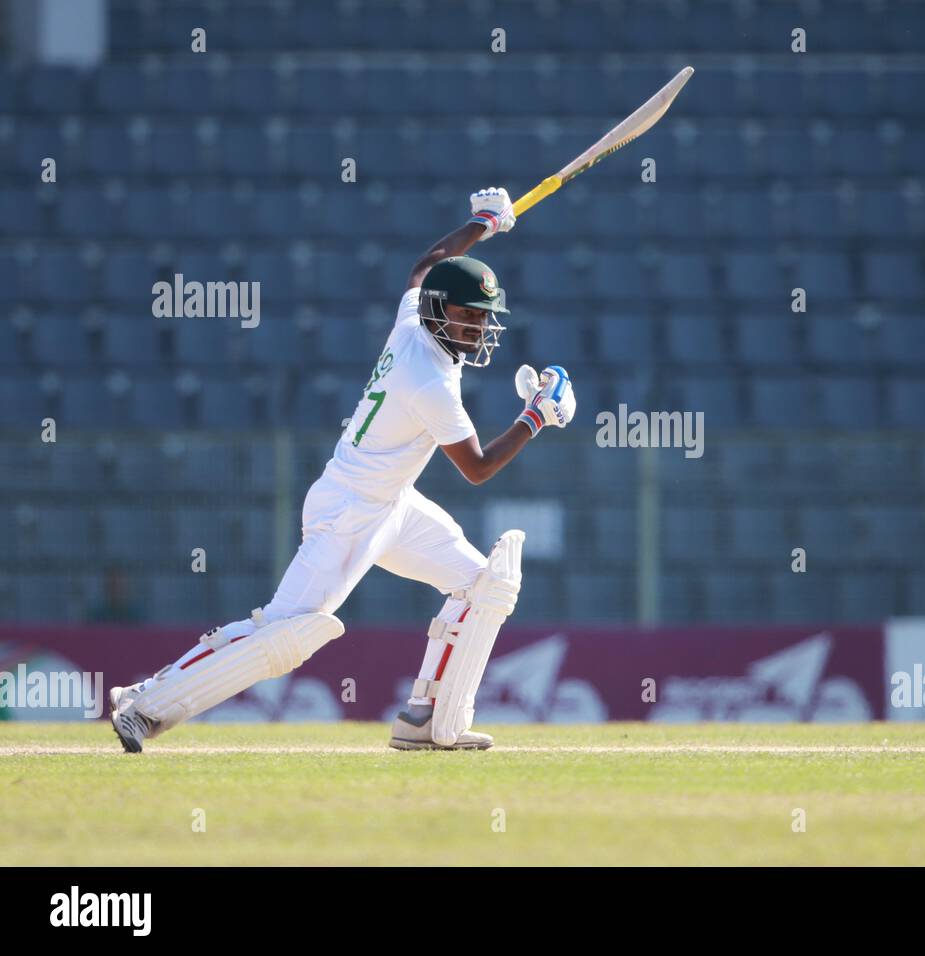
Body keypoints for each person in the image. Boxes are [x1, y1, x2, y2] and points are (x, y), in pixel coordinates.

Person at [108, 187, 575, 753]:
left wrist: (480, 224)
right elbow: (477, 469)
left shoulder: (413, 321)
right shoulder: (427, 380)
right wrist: (537, 416)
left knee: (486, 586)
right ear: (439, 312)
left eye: (484, 318)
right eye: (468, 315)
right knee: (286, 635)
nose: (479, 328)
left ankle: (428, 721)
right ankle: (147, 703)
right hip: (349, 510)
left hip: (391, 502)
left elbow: (426, 266)